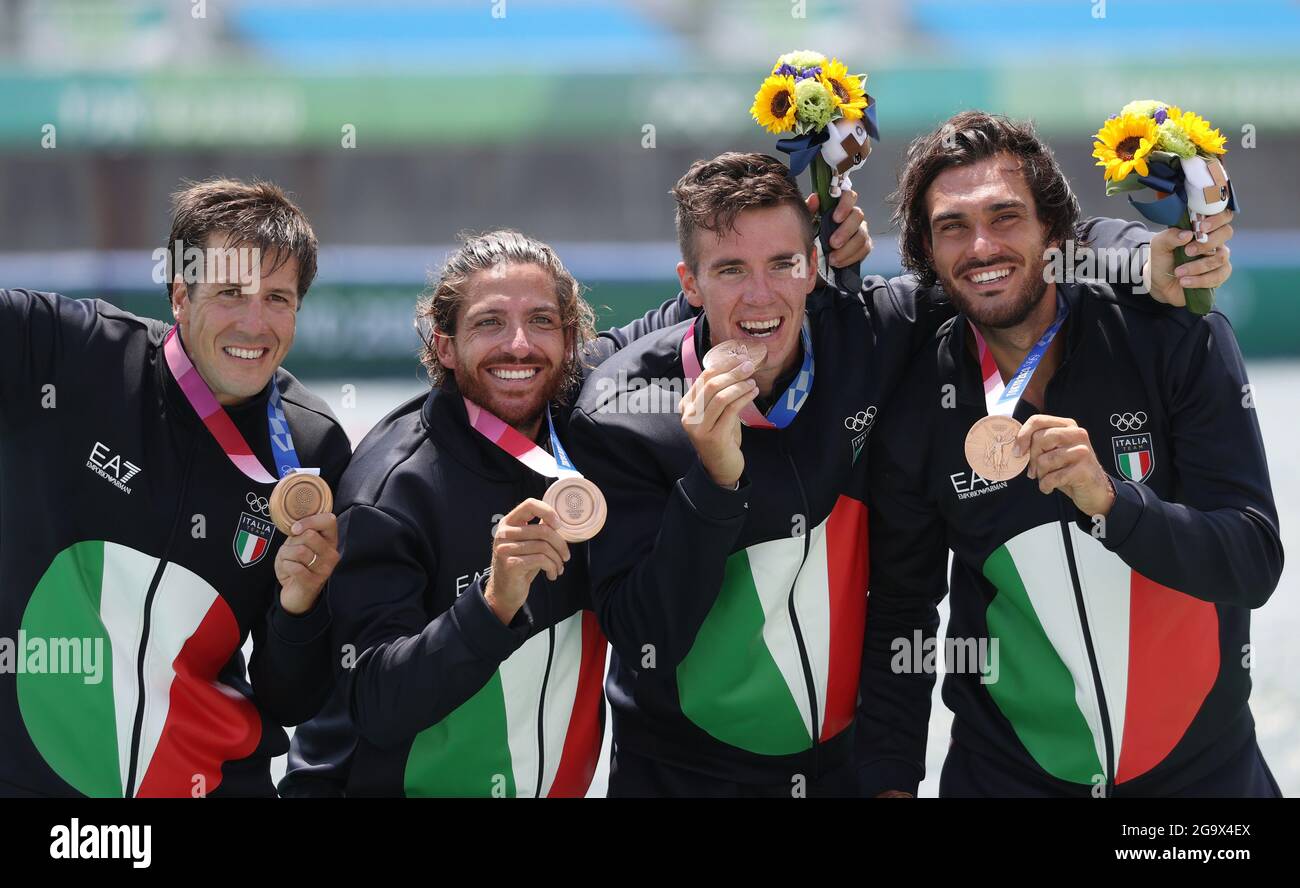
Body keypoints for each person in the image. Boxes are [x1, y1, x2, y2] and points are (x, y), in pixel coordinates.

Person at [563, 148, 1234, 798]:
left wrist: (1137, 257)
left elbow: (1004, 257)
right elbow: (643, 636)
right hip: (679, 774)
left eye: (782, 263)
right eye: (730, 270)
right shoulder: (623, 406)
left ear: (814, 266)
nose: (761, 295)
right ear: (689, 283)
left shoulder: (871, 332)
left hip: (842, 770)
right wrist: (712, 483)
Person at [279, 196, 876, 797]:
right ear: (443, 346)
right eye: (489, 323)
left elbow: (706, 307)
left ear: (572, 340)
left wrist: (813, 261)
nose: (519, 346)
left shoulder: (581, 412)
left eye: (542, 322)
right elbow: (374, 703)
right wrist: (490, 606)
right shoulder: (391, 487)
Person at [862, 111, 1279, 797]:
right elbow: (901, 614)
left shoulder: (1173, 336)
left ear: (1056, 233)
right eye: (953, 227)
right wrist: (890, 782)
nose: (982, 246)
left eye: (1006, 217)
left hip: (1202, 783)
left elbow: (1253, 562)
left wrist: (1114, 503)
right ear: (928, 255)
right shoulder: (919, 400)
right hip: (1006, 778)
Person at [0, 179, 352, 797]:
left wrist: (300, 606)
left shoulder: (310, 446)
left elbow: (290, 697)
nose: (256, 322)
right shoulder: (68, 354)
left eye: (278, 297)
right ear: (180, 295)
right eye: (231, 293)